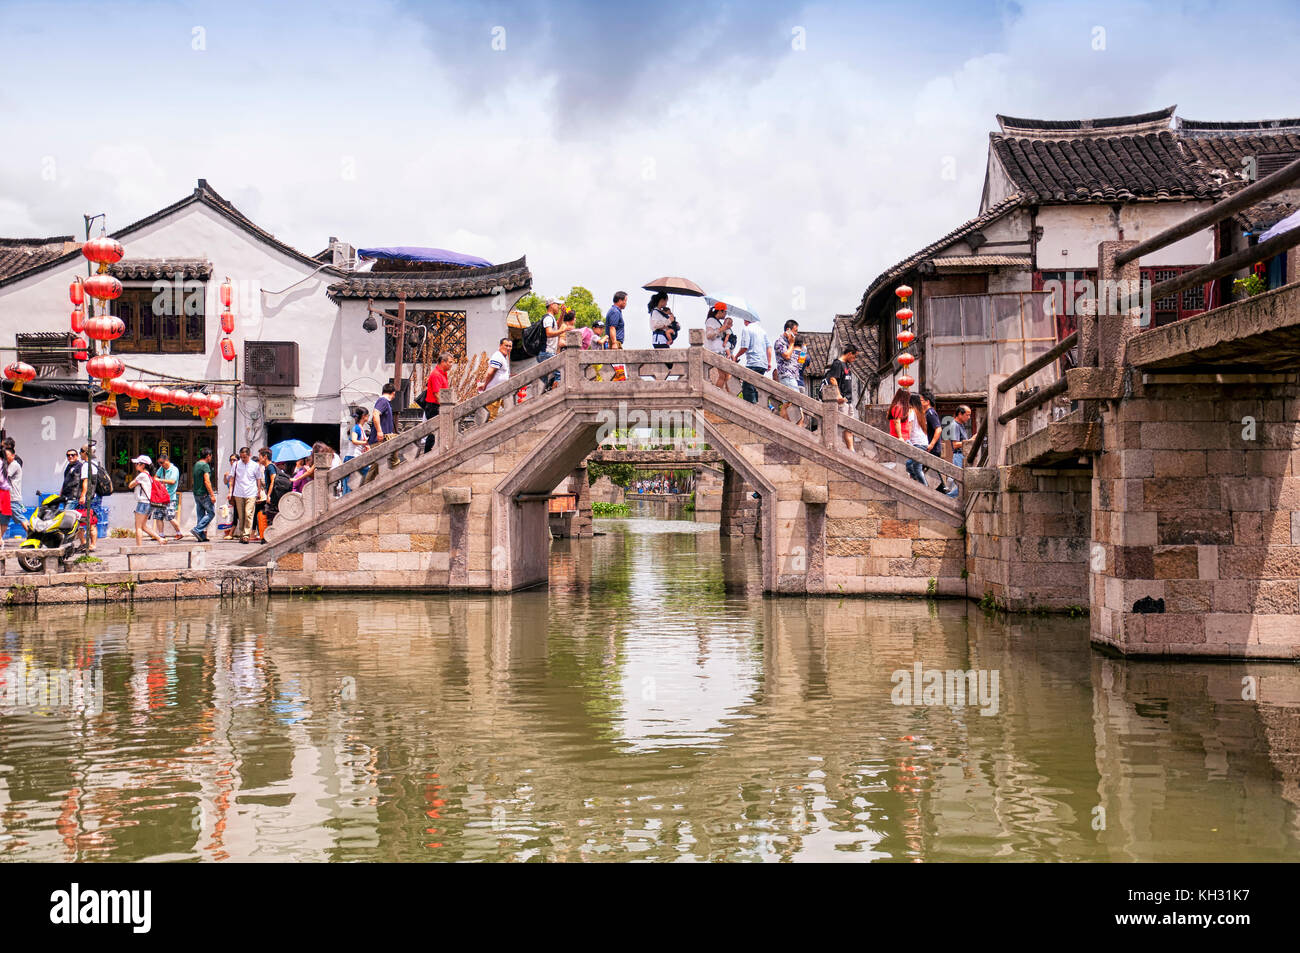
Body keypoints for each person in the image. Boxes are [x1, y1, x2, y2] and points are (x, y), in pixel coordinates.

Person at [823, 344, 858, 452]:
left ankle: (851, 450)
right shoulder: (837, 364)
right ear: (849, 353)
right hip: (842, 401)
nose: (854, 359)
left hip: (848, 400)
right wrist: (838, 395)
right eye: (854, 356)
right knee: (841, 426)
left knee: (849, 427)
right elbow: (833, 379)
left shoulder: (846, 365)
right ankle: (841, 449)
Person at [127, 455, 168, 545]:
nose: (135, 465)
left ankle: (139, 547)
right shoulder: (149, 476)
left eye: (137, 463)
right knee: (143, 526)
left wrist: (135, 480)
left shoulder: (142, 475)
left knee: (138, 527)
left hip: (143, 503)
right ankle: (160, 539)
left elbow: (130, 485)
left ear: (143, 465)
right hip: (149, 503)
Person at [733, 313, 772, 404]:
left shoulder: (747, 329)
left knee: (747, 388)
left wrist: (736, 356)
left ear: (746, 320)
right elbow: (769, 347)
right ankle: (756, 406)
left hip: (753, 363)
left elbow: (744, 347)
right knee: (754, 387)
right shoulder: (762, 331)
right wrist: (769, 362)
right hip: (763, 364)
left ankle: (752, 409)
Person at [367, 381, 400, 480]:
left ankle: (366, 486)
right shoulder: (383, 401)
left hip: (381, 439)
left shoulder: (384, 402)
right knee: (381, 464)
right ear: (393, 393)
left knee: (376, 467)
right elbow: (376, 414)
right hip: (380, 439)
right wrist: (379, 431)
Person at [919, 394, 951, 494]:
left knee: (930, 470)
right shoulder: (926, 413)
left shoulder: (931, 413)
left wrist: (931, 444)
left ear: (927, 401)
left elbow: (938, 429)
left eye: (921, 400)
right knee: (931, 470)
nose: (920, 402)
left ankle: (942, 489)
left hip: (932, 448)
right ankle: (942, 489)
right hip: (930, 447)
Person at [773, 319, 803, 423]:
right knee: (796, 403)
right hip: (786, 375)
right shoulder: (779, 342)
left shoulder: (790, 344)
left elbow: (800, 363)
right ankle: (792, 427)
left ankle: (786, 425)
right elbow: (786, 355)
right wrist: (791, 344)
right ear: (788, 330)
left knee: (788, 404)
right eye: (795, 331)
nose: (796, 333)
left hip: (793, 376)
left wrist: (802, 351)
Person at [231, 446, 263, 543]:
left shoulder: (255, 465)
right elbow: (232, 478)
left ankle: (246, 535)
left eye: (245, 457)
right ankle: (242, 533)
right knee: (241, 515)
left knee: (248, 513)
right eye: (241, 457)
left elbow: (258, 479)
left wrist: (258, 491)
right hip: (238, 492)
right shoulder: (236, 464)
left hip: (251, 493)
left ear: (249, 455)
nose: (243, 459)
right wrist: (230, 492)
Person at [422, 352, 452, 454]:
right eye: (450, 362)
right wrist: (445, 408)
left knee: (438, 432)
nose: (451, 364)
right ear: (443, 362)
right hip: (434, 406)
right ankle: (428, 453)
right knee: (433, 432)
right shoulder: (436, 374)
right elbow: (437, 394)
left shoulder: (443, 373)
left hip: (437, 406)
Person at [153, 451, 184, 539]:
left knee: (170, 517)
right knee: (158, 516)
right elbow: (155, 477)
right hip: (160, 497)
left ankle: (179, 532)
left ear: (167, 460)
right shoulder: (161, 469)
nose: (161, 464)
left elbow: (172, 481)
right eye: (159, 463)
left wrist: (160, 481)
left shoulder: (174, 469)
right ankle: (161, 535)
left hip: (169, 497)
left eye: (162, 462)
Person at [479, 337, 511, 421]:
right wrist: (485, 385)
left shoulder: (502, 357)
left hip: (502, 390)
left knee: (512, 411)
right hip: (494, 391)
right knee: (491, 417)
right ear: (500, 345)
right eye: (506, 345)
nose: (508, 348)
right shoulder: (498, 356)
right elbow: (490, 373)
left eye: (510, 346)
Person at [536, 298, 564, 389]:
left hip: (547, 352)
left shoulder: (551, 318)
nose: (558, 307)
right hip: (547, 352)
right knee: (559, 373)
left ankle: (541, 397)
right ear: (552, 305)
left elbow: (557, 326)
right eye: (557, 305)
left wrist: (563, 313)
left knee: (544, 379)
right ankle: (555, 395)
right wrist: (563, 330)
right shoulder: (548, 318)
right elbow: (549, 333)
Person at [704, 303, 733, 390]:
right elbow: (709, 335)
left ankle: (721, 393)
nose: (725, 314)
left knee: (727, 376)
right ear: (720, 311)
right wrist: (721, 329)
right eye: (725, 312)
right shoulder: (711, 320)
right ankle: (717, 393)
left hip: (721, 351)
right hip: (715, 351)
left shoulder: (716, 321)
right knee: (723, 376)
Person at [342, 408, 371, 495]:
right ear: (363, 416)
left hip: (358, 456)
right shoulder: (356, 428)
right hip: (352, 456)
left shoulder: (361, 428)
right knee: (349, 482)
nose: (369, 416)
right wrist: (365, 442)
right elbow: (354, 440)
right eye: (368, 415)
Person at [947, 405, 972, 498]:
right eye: (967, 415)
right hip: (958, 455)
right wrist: (969, 441)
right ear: (960, 414)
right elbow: (955, 444)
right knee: (962, 482)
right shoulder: (954, 425)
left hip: (962, 455)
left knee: (963, 482)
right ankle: (948, 497)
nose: (969, 418)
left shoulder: (961, 425)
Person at [905, 393, 930, 486]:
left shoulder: (912, 412)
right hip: (923, 443)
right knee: (914, 466)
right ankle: (921, 485)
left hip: (917, 443)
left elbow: (909, 428)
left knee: (913, 466)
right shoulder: (921, 413)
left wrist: (907, 440)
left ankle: (925, 487)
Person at [192, 447, 215, 542]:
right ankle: (197, 529)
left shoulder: (196, 464)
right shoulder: (205, 465)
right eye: (211, 456)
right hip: (204, 494)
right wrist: (212, 495)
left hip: (196, 493)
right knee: (211, 513)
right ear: (208, 455)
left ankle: (201, 536)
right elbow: (207, 481)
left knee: (201, 514)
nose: (211, 458)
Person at [254, 447, 277, 542]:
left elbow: (273, 480)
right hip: (271, 495)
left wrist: (269, 495)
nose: (259, 458)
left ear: (265, 456)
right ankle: (265, 536)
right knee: (266, 514)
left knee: (266, 514)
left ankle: (267, 537)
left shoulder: (270, 467)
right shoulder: (267, 468)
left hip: (272, 496)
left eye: (260, 456)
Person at [221, 452, 239, 538]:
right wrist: (225, 476)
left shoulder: (240, 471)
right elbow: (225, 482)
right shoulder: (229, 472)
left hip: (238, 495)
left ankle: (231, 533)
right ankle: (229, 532)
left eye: (234, 460)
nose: (232, 462)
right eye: (231, 460)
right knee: (230, 514)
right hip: (231, 496)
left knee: (236, 514)